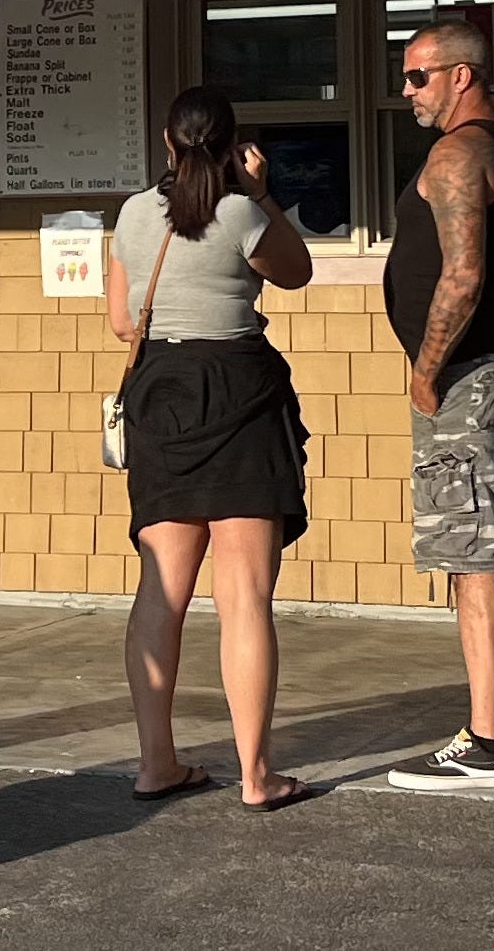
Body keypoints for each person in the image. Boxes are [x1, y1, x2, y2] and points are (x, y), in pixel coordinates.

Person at [107, 85, 316, 811]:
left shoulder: (134, 214)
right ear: (233, 147)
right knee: (244, 596)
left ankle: (154, 763)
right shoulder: (240, 214)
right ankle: (257, 776)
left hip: (161, 393)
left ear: (167, 142)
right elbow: (296, 271)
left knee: (160, 591)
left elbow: (121, 321)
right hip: (239, 392)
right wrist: (261, 193)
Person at [381, 14, 494, 791]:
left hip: (464, 384)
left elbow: (464, 273)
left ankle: (486, 741)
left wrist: (428, 369)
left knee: (468, 556)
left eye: (417, 76)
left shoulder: (456, 154)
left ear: (461, 75)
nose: (407, 91)